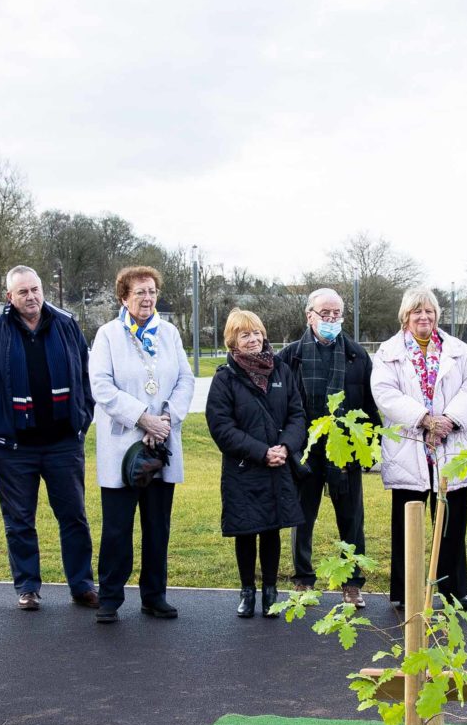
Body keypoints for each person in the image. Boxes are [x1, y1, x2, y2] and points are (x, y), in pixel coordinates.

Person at [0, 266, 97, 612]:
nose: (31, 297)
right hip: (12, 448)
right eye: (22, 292)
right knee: (19, 521)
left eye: (35, 289)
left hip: (63, 444)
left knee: (74, 517)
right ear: (9, 297)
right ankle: (28, 587)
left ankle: (82, 585)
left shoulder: (65, 325)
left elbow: (87, 376)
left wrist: (81, 421)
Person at [88, 264, 195, 624]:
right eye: (140, 293)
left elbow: (184, 379)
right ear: (124, 297)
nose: (147, 298)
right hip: (123, 447)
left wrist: (165, 420)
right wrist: (141, 418)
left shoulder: (169, 333)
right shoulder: (108, 335)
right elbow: (102, 386)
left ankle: (154, 595)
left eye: (152, 292)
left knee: (157, 526)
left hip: (161, 444)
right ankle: (110, 597)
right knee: (117, 527)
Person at [370, 287, 467, 612]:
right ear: (405, 316)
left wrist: (448, 420)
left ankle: (452, 593)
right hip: (410, 449)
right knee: (407, 523)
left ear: (437, 315)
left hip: (450, 447)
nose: (424, 317)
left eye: (429, 312)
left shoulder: (460, 351)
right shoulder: (388, 352)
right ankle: (404, 592)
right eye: (416, 312)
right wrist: (423, 419)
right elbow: (385, 392)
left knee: (450, 522)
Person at [275, 288, 380, 605]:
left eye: (337, 313)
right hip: (304, 450)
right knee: (302, 519)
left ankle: (352, 583)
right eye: (325, 313)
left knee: (352, 520)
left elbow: (369, 406)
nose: (332, 319)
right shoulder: (289, 355)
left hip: (344, 451)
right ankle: (303, 580)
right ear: (310, 315)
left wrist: (367, 445)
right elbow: (279, 406)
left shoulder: (356, 355)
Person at [206, 309, 308, 619]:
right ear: (232, 341)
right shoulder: (225, 378)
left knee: (272, 530)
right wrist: (261, 452)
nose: (253, 339)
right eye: (244, 335)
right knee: (246, 530)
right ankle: (247, 590)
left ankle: (270, 592)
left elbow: (297, 414)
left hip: (279, 466)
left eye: (256, 333)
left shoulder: (281, 371)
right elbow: (221, 427)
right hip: (244, 469)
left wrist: (286, 446)